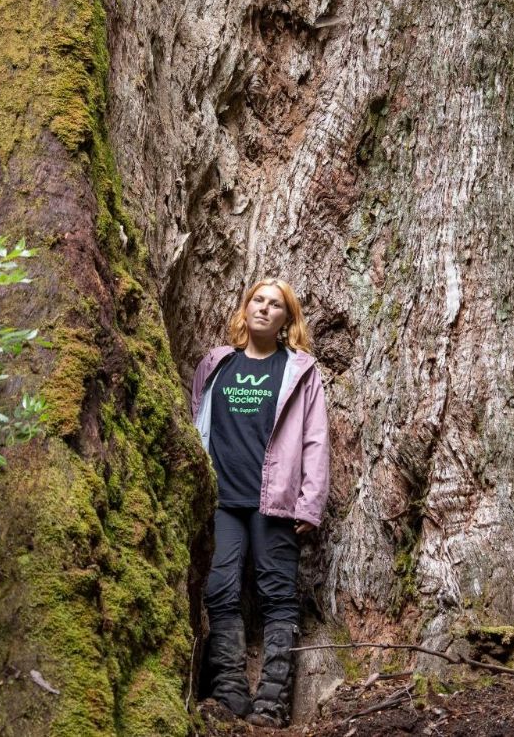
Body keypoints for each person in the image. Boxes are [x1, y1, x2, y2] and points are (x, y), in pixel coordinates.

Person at [191, 278, 330, 727]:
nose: (265, 309)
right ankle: (230, 692)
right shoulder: (216, 364)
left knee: (278, 596)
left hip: (275, 500)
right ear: (245, 307)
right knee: (220, 590)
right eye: (258, 300)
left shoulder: (299, 370)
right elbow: (197, 424)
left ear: (287, 320)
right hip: (221, 500)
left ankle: (272, 701)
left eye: (276, 305)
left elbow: (315, 439)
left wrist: (310, 504)